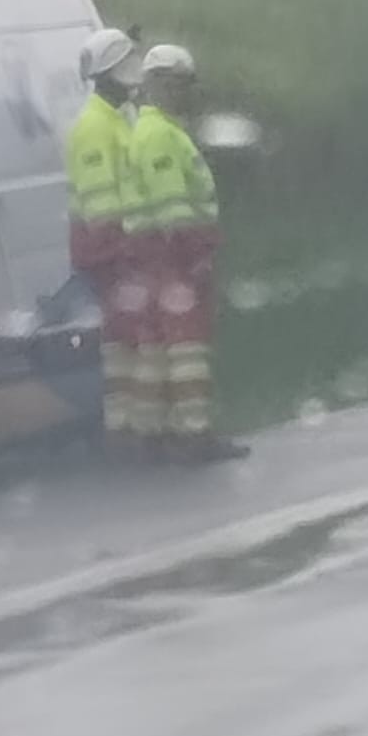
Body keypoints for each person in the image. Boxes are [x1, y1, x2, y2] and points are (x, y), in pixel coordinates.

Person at [125, 44, 249, 464]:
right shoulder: (160, 134)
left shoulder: (153, 130)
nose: (185, 93)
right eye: (178, 84)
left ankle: (152, 434)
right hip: (171, 255)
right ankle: (195, 434)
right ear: (159, 83)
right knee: (186, 349)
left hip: (154, 255)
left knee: (159, 350)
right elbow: (172, 203)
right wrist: (193, 253)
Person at [67, 27, 144, 456]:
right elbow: (101, 206)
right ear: (107, 76)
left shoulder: (117, 119)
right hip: (111, 251)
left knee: (132, 341)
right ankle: (128, 432)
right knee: (126, 343)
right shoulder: (95, 127)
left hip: (123, 249)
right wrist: (124, 247)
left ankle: (134, 429)